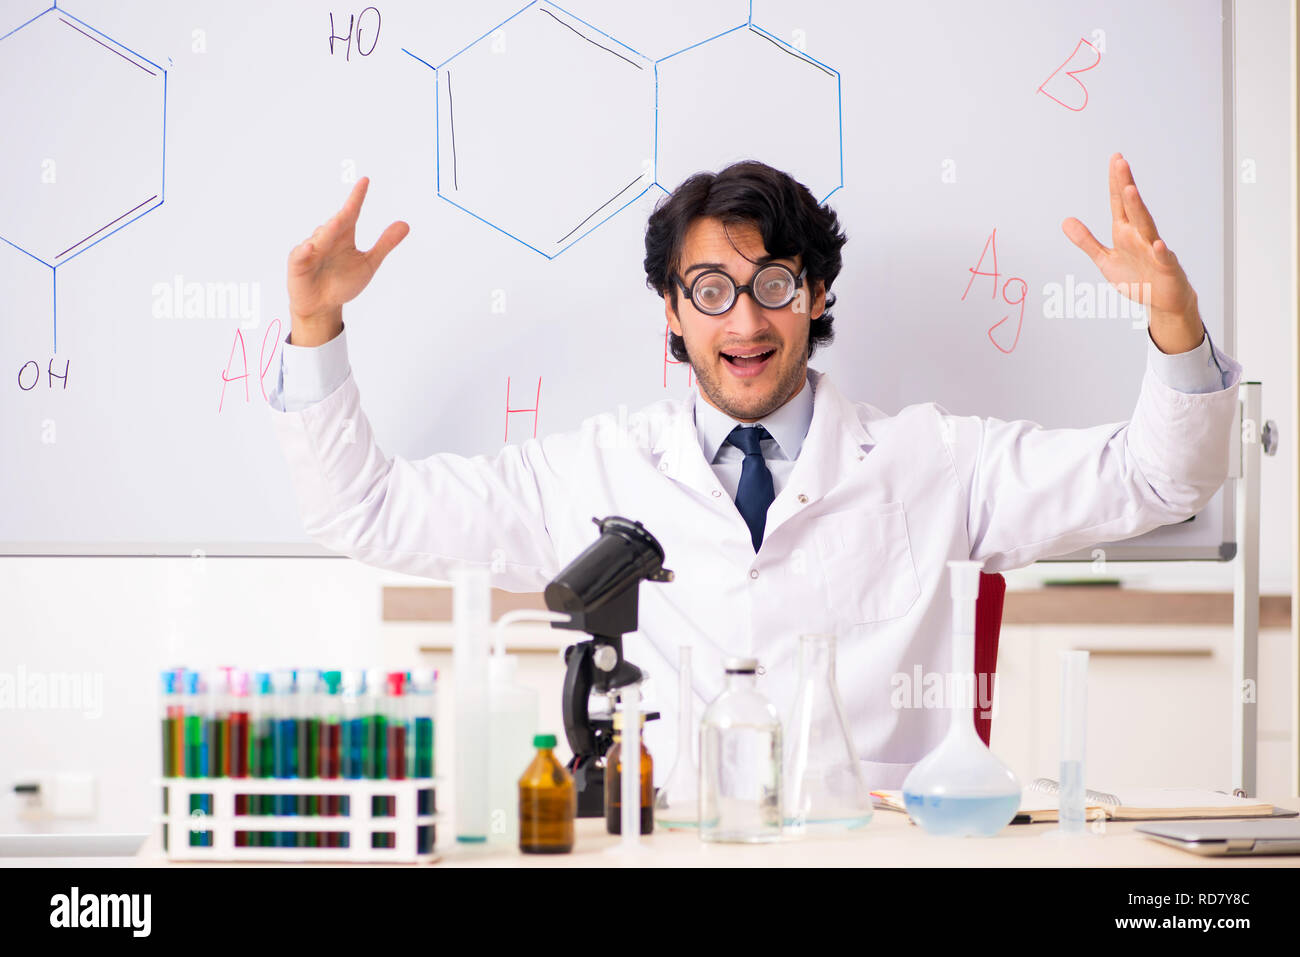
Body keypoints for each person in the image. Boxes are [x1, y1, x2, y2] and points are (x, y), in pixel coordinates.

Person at [267, 157, 1240, 788]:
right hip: (671, 854)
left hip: (878, 854)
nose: (744, 322)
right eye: (710, 290)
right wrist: (314, 326)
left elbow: (1158, 482)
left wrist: (1173, 324)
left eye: (775, 284)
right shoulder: (593, 471)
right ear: (670, 311)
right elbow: (365, 511)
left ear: (816, 296)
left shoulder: (932, 459)